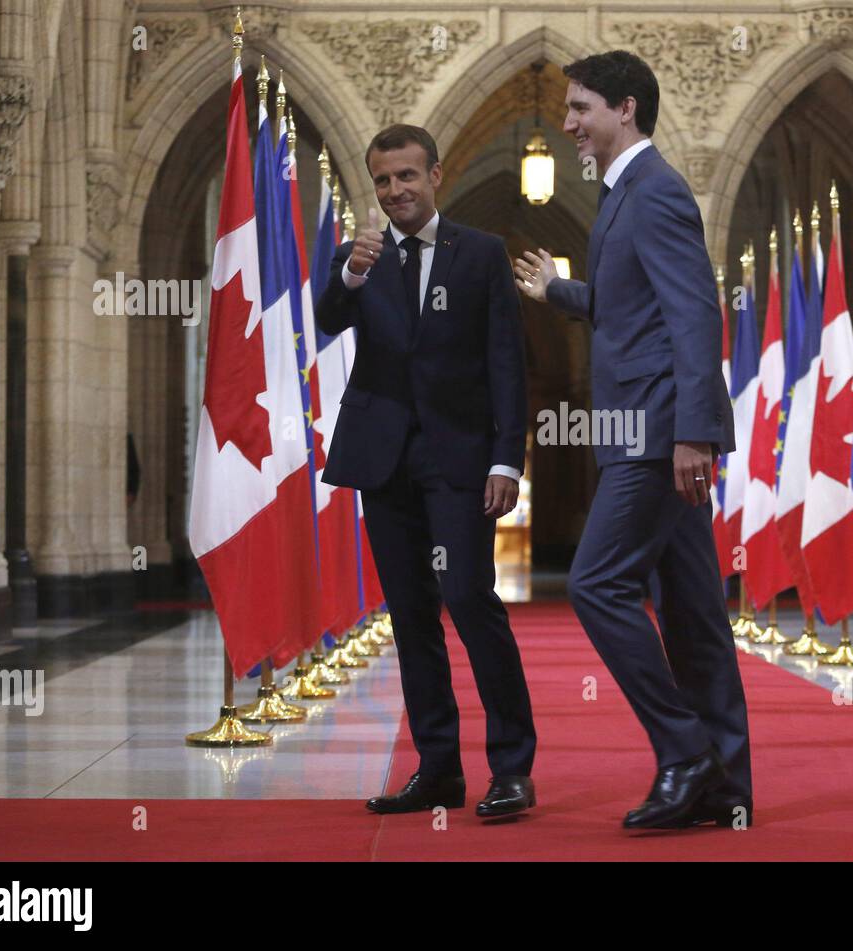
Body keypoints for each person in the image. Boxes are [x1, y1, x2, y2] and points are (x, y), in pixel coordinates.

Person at [513, 51, 752, 830]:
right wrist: (561, 292)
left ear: (625, 108)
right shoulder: (626, 195)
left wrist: (693, 435)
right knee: (690, 611)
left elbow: (694, 317)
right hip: (646, 429)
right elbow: (634, 310)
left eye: (580, 109)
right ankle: (726, 783)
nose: (570, 124)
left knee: (594, 583)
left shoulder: (654, 193)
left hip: (655, 436)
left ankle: (685, 755)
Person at [316, 124, 537, 819]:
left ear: (436, 176)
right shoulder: (363, 257)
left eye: (407, 177)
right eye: (383, 181)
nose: (395, 191)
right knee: (411, 616)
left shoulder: (481, 255)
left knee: (469, 599)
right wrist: (351, 271)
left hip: (460, 461)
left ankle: (512, 768)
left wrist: (508, 457)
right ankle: (438, 767)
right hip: (383, 460)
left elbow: (507, 361)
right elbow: (326, 319)